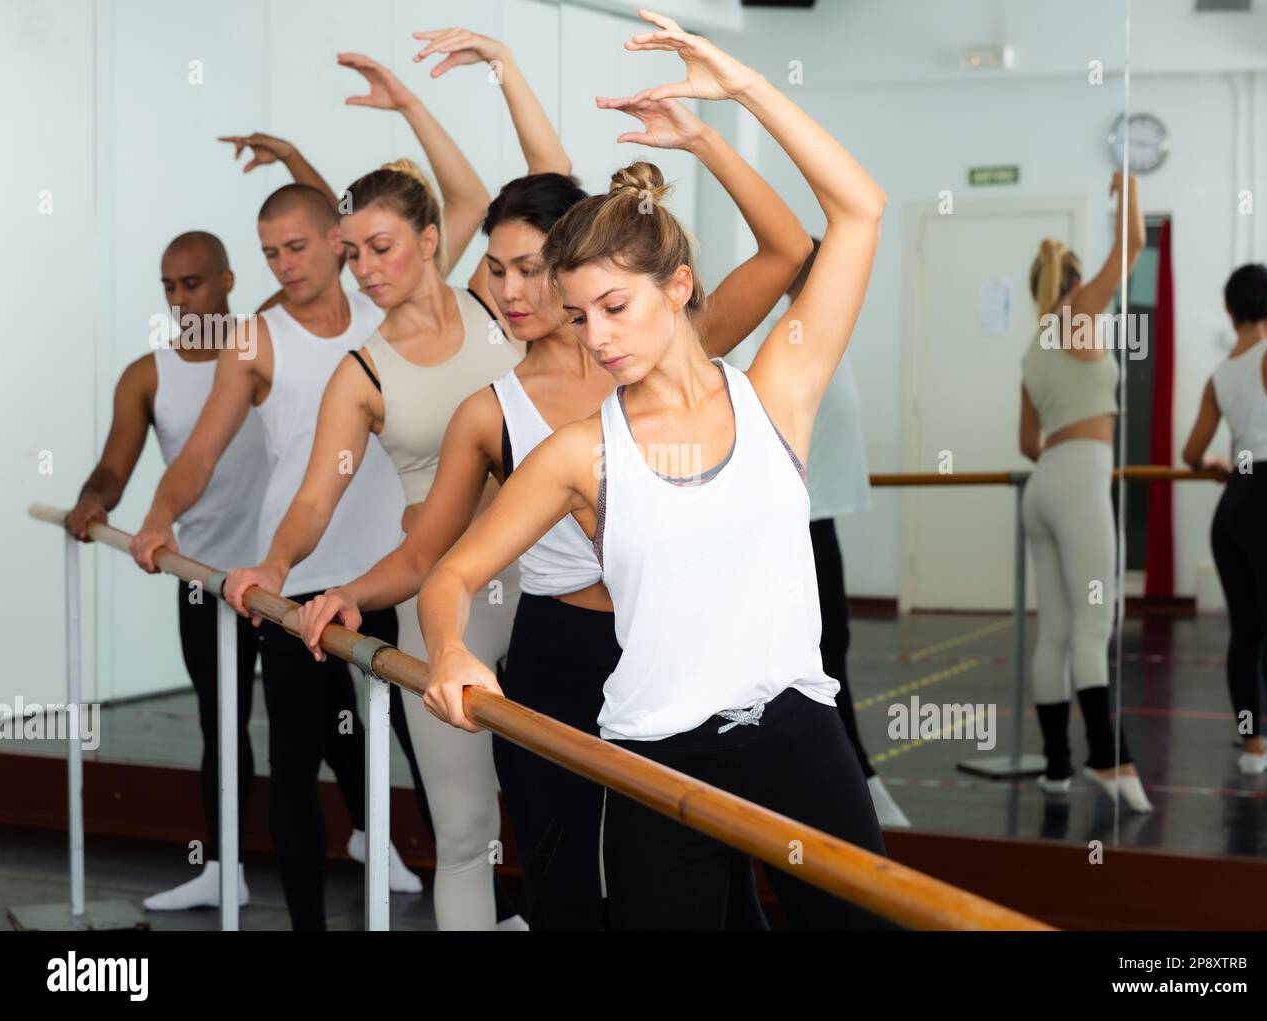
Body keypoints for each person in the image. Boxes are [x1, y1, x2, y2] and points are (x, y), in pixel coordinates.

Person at [294, 87, 812, 927]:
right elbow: (433, 553)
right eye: (493, 269)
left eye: (529, 267)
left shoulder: (666, 347)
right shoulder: (489, 409)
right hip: (560, 653)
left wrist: (708, 142)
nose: (507, 289)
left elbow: (788, 249)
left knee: (715, 886)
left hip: (677, 645)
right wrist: (358, 594)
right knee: (567, 885)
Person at [417, 12, 888, 929]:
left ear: (677, 287)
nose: (596, 336)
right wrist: (450, 648)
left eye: (615, 306)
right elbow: (454, 572)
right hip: (653, 753)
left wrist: (735, 100)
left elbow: (859, 209)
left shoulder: (775, 392)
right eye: (578, 314)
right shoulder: (579, 452)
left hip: (794, 727)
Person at [128, 61, 493, 925]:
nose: (287, 266)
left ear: (337, 242)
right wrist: (157, 515)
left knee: (421, 738)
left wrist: (375, 116)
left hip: (397, 573)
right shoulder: (256, 337)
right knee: (293, 757)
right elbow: (203, 452)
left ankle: (469, 886)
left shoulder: (387, 300)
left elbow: (432, 209)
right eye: (269, 255)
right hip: (301, 582)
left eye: (299, 247)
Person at [223, 32, 561, 931]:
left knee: (569, 813)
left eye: (380, 248)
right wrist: (273, 566)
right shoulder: (361, 373)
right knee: (463, 831)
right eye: (353, 253)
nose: (365, 269)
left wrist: (411, 100)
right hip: (445, 593)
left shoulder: (500, 301)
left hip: (562, 577)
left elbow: (512, 190)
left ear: (429, 239)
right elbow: (313, 496)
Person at [68, 232, 267, 910]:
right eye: (170, 286)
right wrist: (94, 499)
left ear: (228, 280)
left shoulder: (266, 348)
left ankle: (373, 837)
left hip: (291, 576)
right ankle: (224, 866)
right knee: (223, 719)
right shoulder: (146, 374)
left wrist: (296, 157)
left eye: (194, 283)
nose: (182, 299)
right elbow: (114, 467)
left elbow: (328, 259)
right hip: (204, 577)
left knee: (333, 722)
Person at [726, 238, 909, 827]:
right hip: (792, 527)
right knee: (821, 655)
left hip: (815, 519)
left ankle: (852, 777)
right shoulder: (789, 339)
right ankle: (855, 781)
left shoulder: (827, 332)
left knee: (834, 647)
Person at [1018, 172, 1152, 813]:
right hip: (1078, 480)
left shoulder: (1032, 349)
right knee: (1096, 625)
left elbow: (1027, 441)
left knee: (1058, 633)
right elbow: (1131, 248)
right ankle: (1108, 757)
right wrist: (1127, 183)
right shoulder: (1078, 316)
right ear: (1074, 283)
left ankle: (1056, 769)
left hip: (1043, 490)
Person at [1182, 264, 1267, 783]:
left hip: (1234, 507)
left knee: (1246, 632)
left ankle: (1253, 747)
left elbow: (1191, 452)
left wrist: (1212, 467)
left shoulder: (1219, 375)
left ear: (1229, 311)